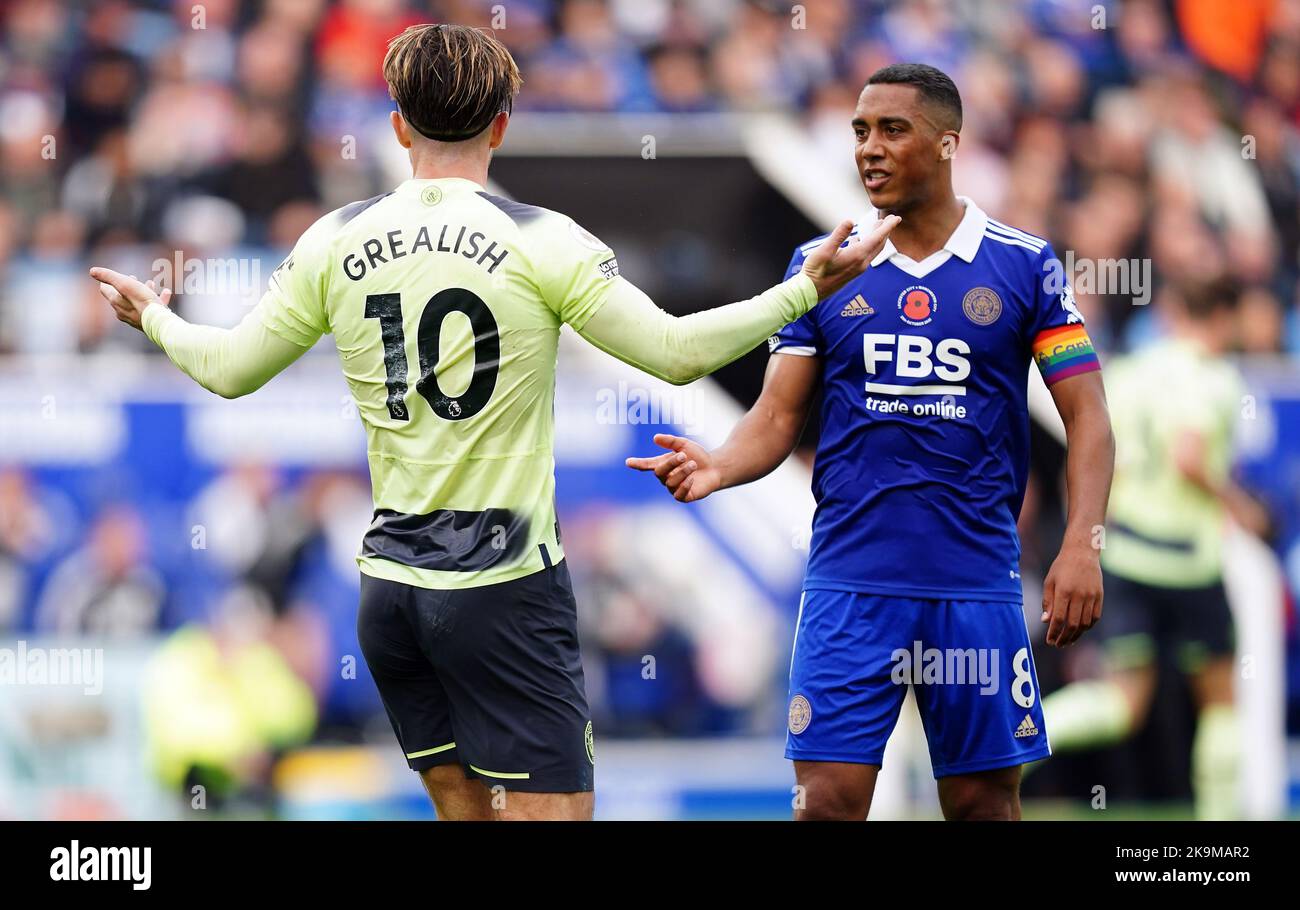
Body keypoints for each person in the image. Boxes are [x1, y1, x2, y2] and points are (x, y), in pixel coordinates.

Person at [87, 23, 897, 821]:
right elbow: (678, 352)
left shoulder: (335, 238)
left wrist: (156, 317)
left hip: (393, 594)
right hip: (503, 590)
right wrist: (803, 290)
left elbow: (228, 370)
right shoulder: (542, 238)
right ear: (501, 127)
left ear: (398, 127)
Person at [628, 63, 1115, 820]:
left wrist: (1082, 543)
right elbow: (777, 417)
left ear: (947, 143)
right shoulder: (823, 266)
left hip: (974, 584)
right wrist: (718, 463)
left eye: (893, 129)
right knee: (825, 801)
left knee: (983, 804)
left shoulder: (1023, 264)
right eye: (860, 131)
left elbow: (1087, 417)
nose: (869, 148)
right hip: (850, 585)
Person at [1041, 278, 1271, 819]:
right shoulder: (1211, 376)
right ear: (1225, 316)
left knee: (1123, 702)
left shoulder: (1131, 371)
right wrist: (1238, 505)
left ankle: (1018, 736)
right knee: (1219, 700)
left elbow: (1097, 452)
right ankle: (1219, 823)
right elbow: (1188, 454)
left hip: (1127, 557)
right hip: (1189, 562)